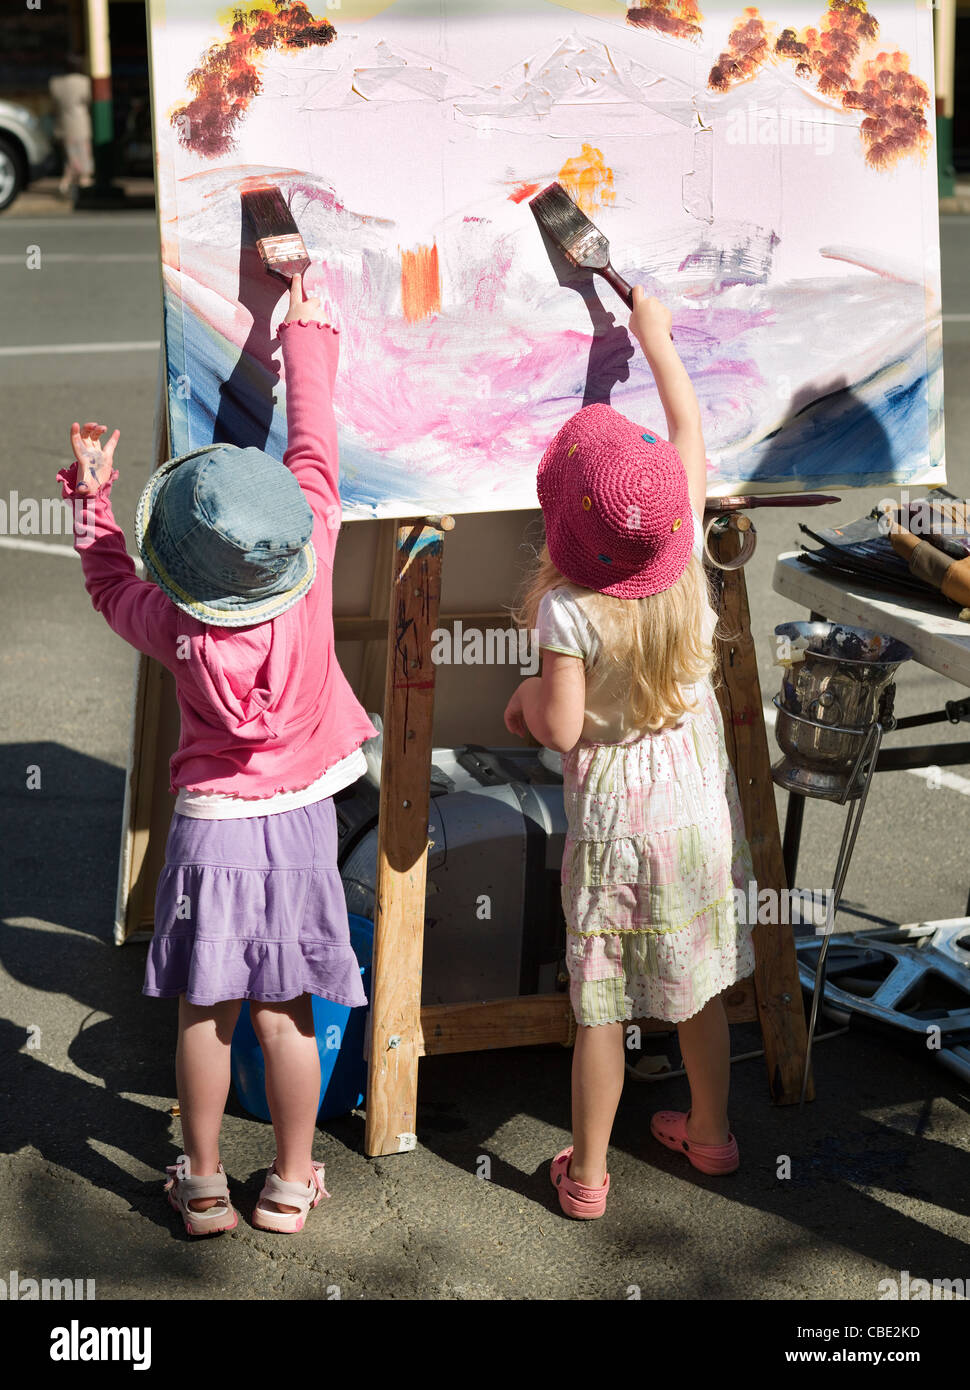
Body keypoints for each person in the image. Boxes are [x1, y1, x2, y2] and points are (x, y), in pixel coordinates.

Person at [56, 273, 378, 1236]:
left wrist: (91, 494)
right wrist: (305, 328)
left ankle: (200, 1184)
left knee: (207, 1014)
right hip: (302, 824)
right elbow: (315, 448)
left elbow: (112, 586)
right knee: (284, 1015)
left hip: (210, 832)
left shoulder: (178, 623)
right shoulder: (312, 554)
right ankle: (287, 1182)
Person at [504, 287, 757, 1218]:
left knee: (602, 1001)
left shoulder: (569, 606)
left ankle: (589, 1175)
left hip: (616, 825)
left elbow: (564, 726)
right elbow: (687, 424)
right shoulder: (684, 546)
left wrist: (526, 703)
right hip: (693, 812)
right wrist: (655, 339)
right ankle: (714, 1136)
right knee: (695, 985)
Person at [49, 53, 94, 198]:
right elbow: (88, 101)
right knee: (83, 154)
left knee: (70, 155)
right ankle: (83, 182)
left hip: (63, 124)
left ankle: (66, 181)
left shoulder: (55, 83)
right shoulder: (84, 82)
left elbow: (54, 105)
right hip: (81, 123)